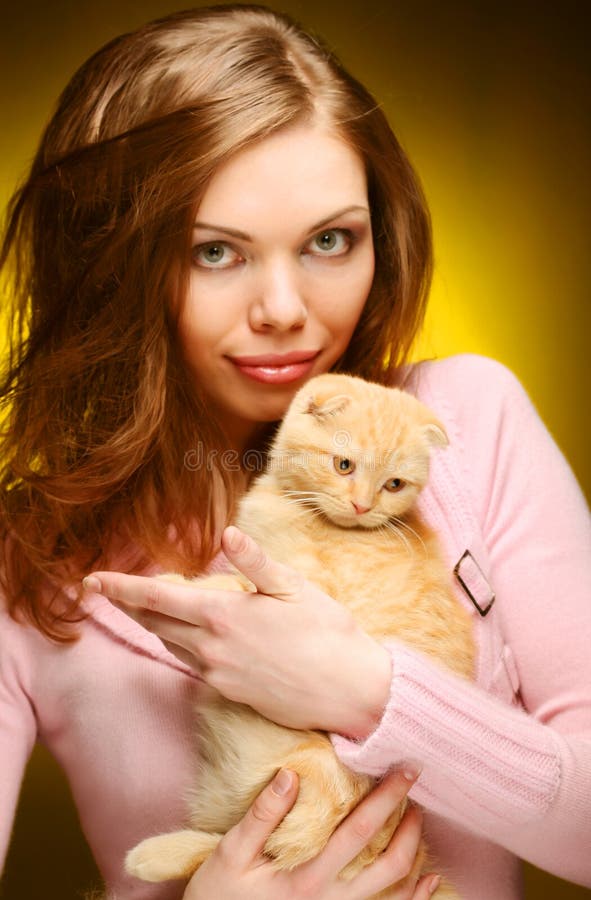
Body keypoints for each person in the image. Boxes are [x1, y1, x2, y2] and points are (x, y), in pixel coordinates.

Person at [0, 5, 589, 899]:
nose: (284, 307)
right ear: (112, 262)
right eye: (214, 252)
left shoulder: (464, 423)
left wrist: (370, 695)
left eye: (327, 240)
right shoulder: (29, 559)